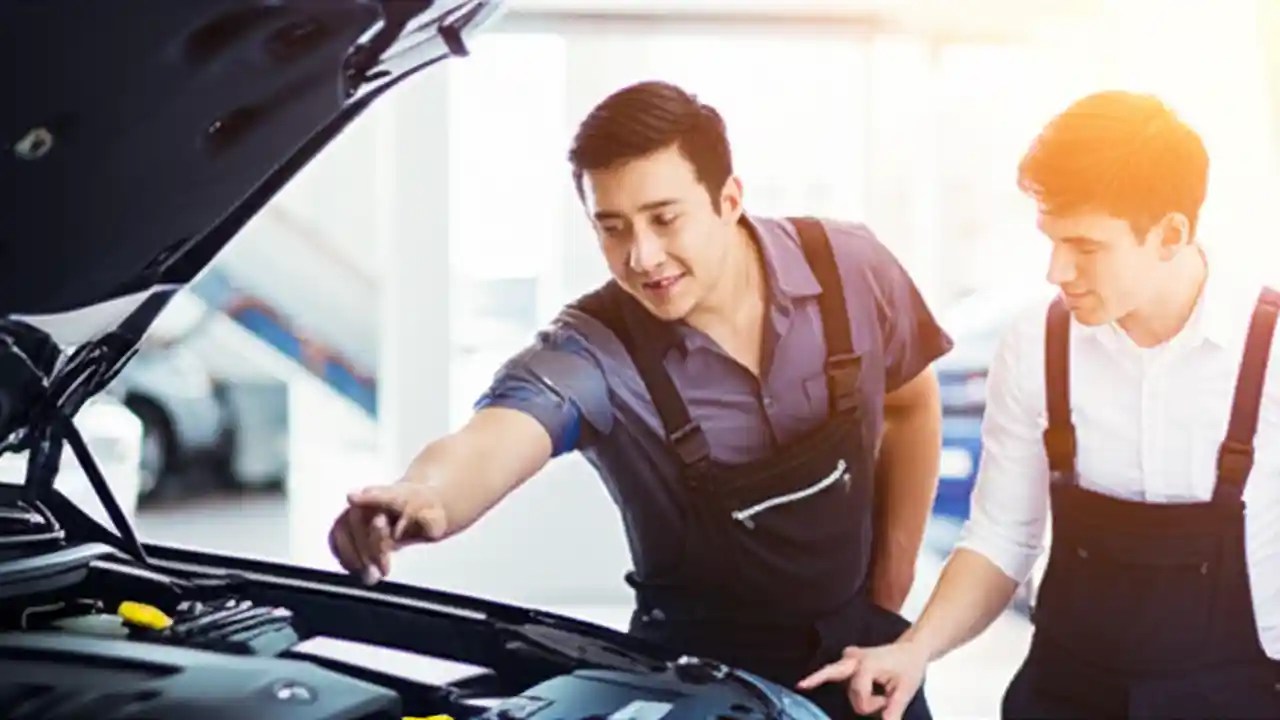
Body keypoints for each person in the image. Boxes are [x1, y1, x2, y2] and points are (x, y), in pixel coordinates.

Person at [327, 79, 953, 719]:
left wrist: (886, 598)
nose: (642, 257)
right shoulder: (594, 349)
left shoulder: (849, 269)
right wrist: (428, 494)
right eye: (613, 228)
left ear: (729, 198)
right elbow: (495, 435)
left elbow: (909, 405)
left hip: (864, 668)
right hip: (690, 686)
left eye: (664, 218)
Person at [798, 89, 1280, 719]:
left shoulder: (1269, 352)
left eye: (1085, 246)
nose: (1057, 270)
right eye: (1052, 240)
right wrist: (915, 650)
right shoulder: (1037, 346)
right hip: (1067, 696)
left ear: (1170, 233)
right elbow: (1002, 535)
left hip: (1235, 699)